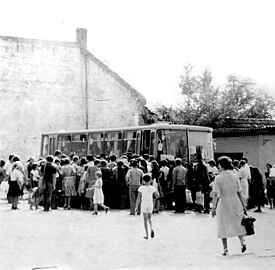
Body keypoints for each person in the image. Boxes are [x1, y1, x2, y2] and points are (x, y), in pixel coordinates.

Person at [211, 156, 247, 256]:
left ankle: (225, 249)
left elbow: (216, 194)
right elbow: (240, 192)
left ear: (220, 165)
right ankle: (242, 241)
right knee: (237, 223)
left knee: (223, 225)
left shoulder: (218, 178)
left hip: (223, 202)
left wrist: (214, 208)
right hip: (235, 201)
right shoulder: (235, 176)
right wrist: (243, 205)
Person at [135, 174, 159, 239]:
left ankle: (146, 234)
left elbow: (138, 198)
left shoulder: (141, 188)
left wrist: (136, 207)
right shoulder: (152, 188)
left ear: (143, 181)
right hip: (150, 203)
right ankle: (151, 228)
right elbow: (157, 196)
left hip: (144, 203)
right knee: (149, 218)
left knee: (145, 220)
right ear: (150, 180)